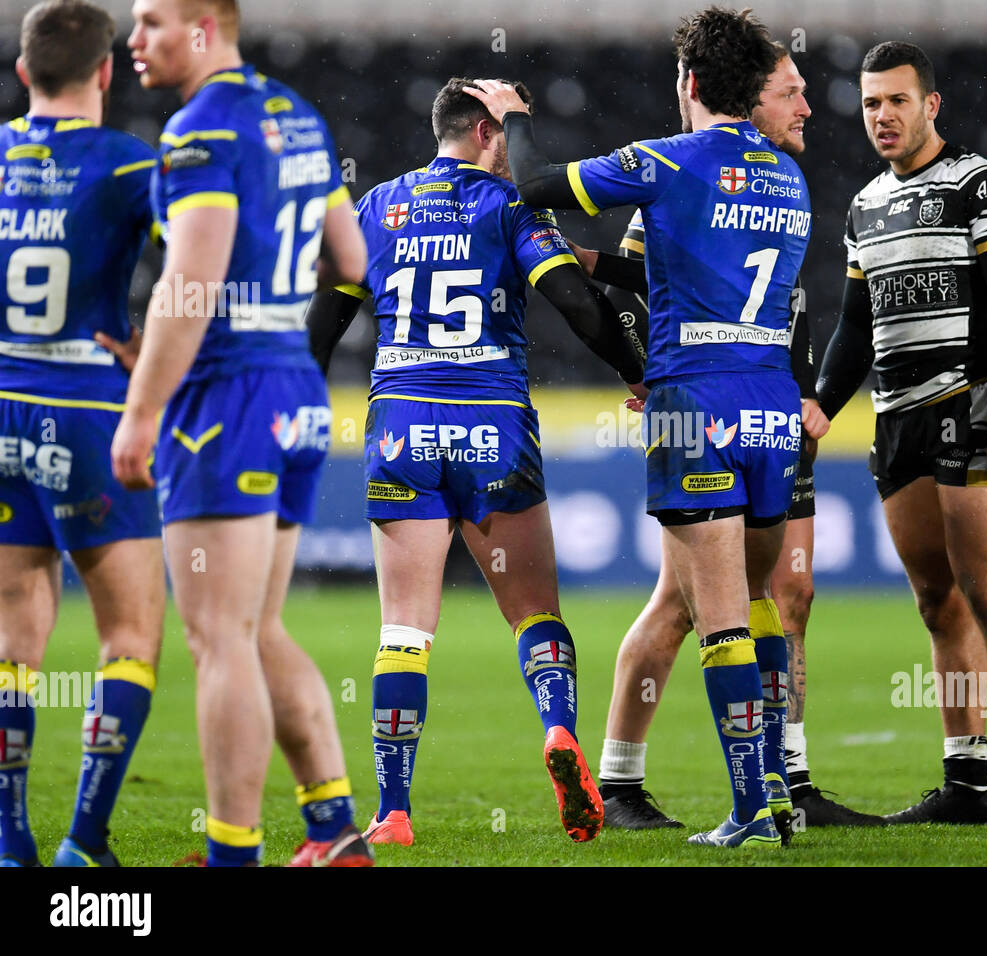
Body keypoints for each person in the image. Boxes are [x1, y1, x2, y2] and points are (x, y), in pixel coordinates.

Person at [467, 6, 809, 847]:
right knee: (760, 605)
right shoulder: (788, 179)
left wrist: (512, 115)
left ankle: (749, 810)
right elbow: (692, 267)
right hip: (771, 397)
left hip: (694, 403)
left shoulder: (665, 160)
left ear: (689, 84)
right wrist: (603, 266)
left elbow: (538, 181)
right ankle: (773, 784)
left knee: (719, 611)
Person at [305, 77, 645, 845]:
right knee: (535, 614)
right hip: (492, 422)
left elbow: (323, 323)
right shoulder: (510, 206)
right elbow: (580, 307)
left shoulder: (378, 205)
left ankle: (392, 813)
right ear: (490, 133)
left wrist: (297, 402)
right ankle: (559, 732)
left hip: (400, 425)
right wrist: (633, 369)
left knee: (404, 632)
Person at [571, 52, 879, 829]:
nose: (804, 106)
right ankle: (680, 786)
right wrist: (639, 351)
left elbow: (791, 303)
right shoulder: (732, 183)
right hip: (750, 400)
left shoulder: (760, 177)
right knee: (709, 605)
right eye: (790, 94)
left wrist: (813, 392)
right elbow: (652, 284)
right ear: (753, 100)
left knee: (750, 599)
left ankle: (763, 786)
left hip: (763, 397)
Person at [114, 0, 371, 867]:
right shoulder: (293, 115)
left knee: (216, 636)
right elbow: (351, 260)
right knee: (258, 627)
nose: (133, 39)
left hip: (226, 398)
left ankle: (232, 853)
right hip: (295, 386)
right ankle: (336, 833)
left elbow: (190, 282)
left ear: (203, 27)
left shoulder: (200, 131)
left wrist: (143, 410)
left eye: (150, 21)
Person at [815, 40, 987, 826]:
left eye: (897, 101)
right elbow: (857, 326)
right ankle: (968, 783)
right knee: (937, 601)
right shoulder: (866, 204)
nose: (882, 116)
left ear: (930, 105)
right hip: (896, 417)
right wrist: (822, 406)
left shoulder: (981, 185)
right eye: (871, 104)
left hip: (966, 406)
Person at [0, 0, 163, 869]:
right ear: (106, 72)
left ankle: (8, 836)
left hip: (0, 405)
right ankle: (85, 839)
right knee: (129, 639)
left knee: (10, 644)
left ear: (26, 72)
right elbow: (199, 265)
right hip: (93, 410)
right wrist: (158, 355)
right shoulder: (136, 166)